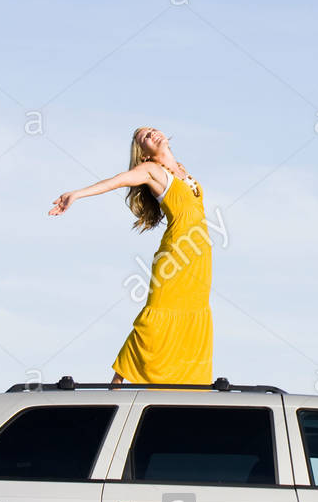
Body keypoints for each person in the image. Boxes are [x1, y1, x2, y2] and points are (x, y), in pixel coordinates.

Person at [49, 126, 213, 387]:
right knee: (157, 316)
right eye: (145, 137)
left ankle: (185, 386)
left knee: (193, 314)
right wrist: (76, 194)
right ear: (144, 154)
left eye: (152, 130)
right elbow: (118, 180)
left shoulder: (181, 169)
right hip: (175, 257)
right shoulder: (152, 171)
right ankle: (116, 386)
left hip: (199, 259)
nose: (153, 134)